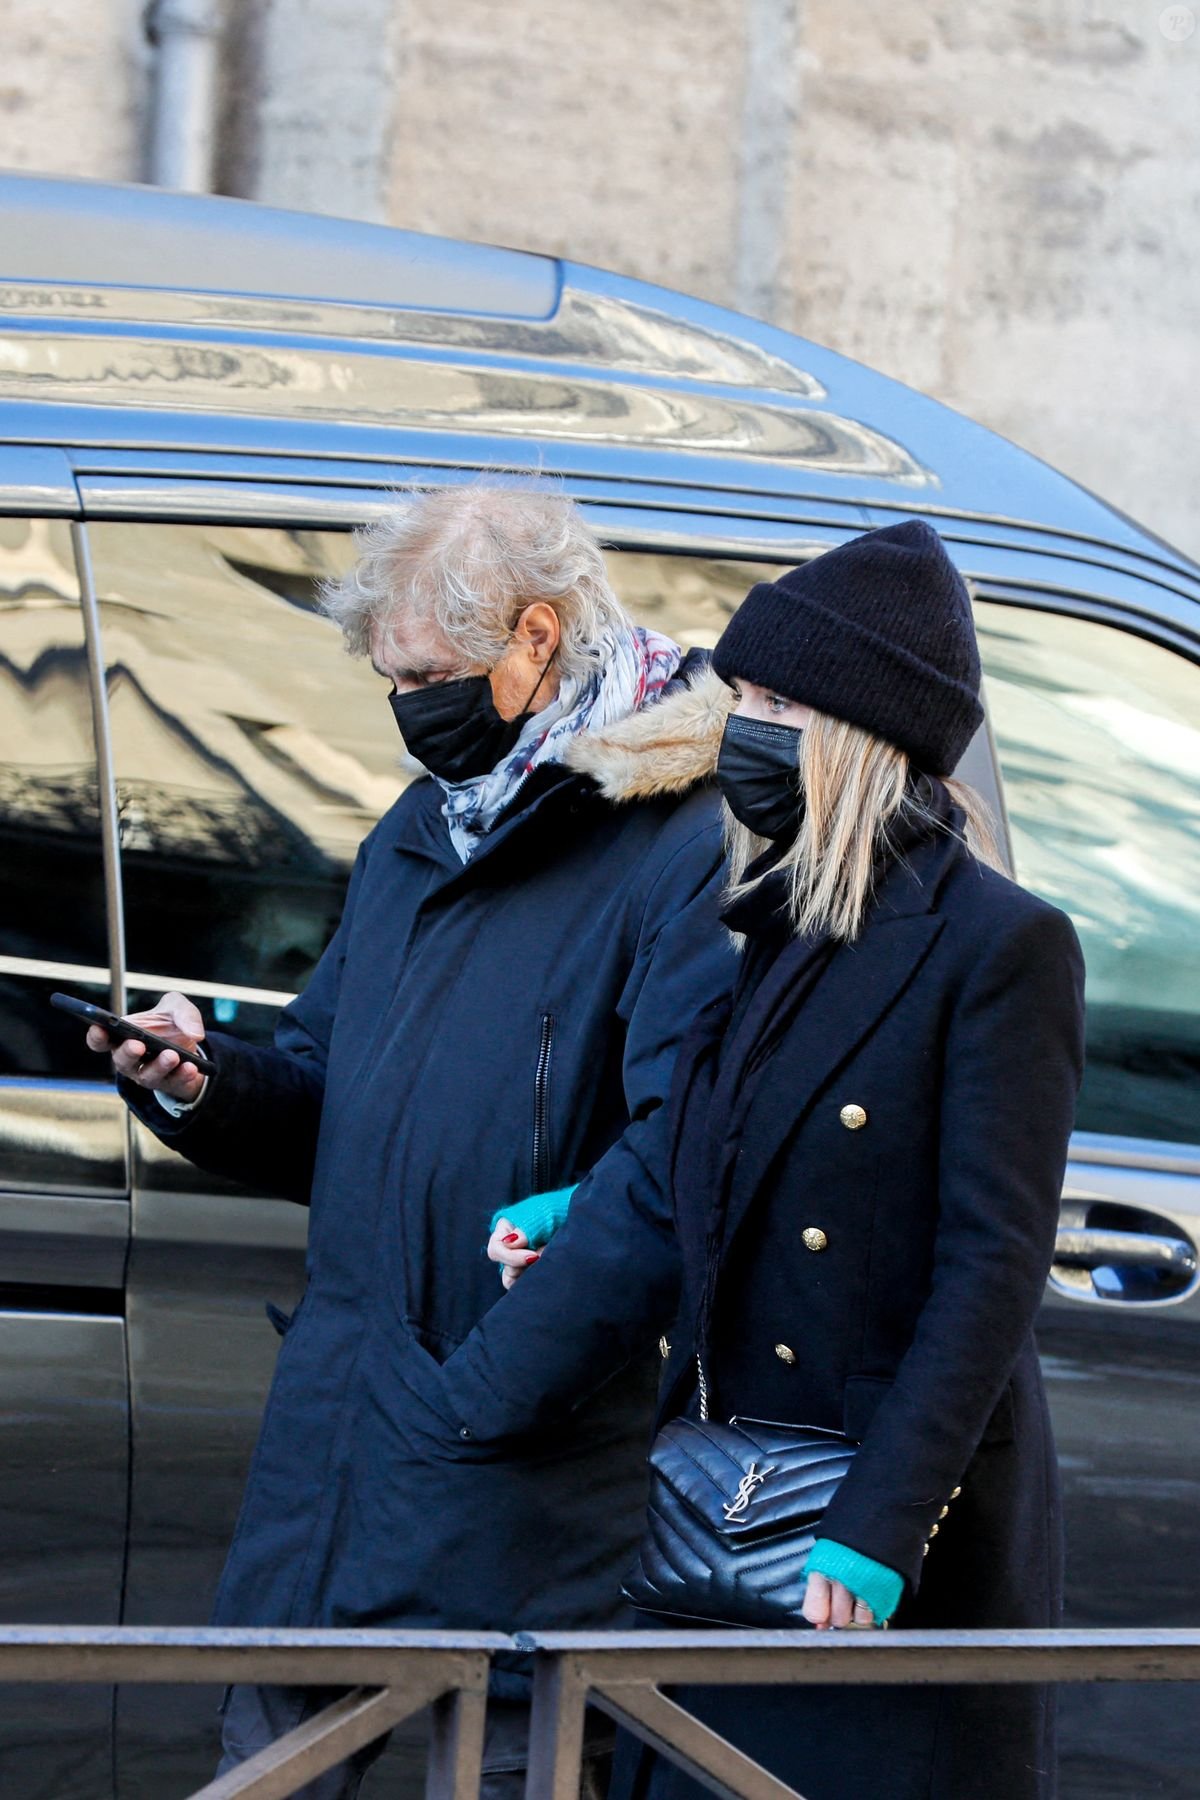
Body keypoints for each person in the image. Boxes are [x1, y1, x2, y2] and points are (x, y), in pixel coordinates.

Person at [83, 483, 737, 1799]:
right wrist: (199, 1083)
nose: (405, 708)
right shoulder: (422, 829)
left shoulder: (676, 842)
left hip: (515, 1490)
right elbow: (331, 1091)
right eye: (389, 679)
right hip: (336, 1455)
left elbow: (675, 1169)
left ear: (536, 640)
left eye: (426, 676)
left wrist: (474, 1398)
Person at [496, 522, 1086, 1800]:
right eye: (740, 698)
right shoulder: (776, 921)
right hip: (729, 1505)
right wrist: (577, 1210)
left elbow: (993, 1267)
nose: (739, 731)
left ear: (857, 735)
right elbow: (718, 1147)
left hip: (875, 1536)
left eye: (771, 704)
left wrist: (883, 1522)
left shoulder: (999, 947)